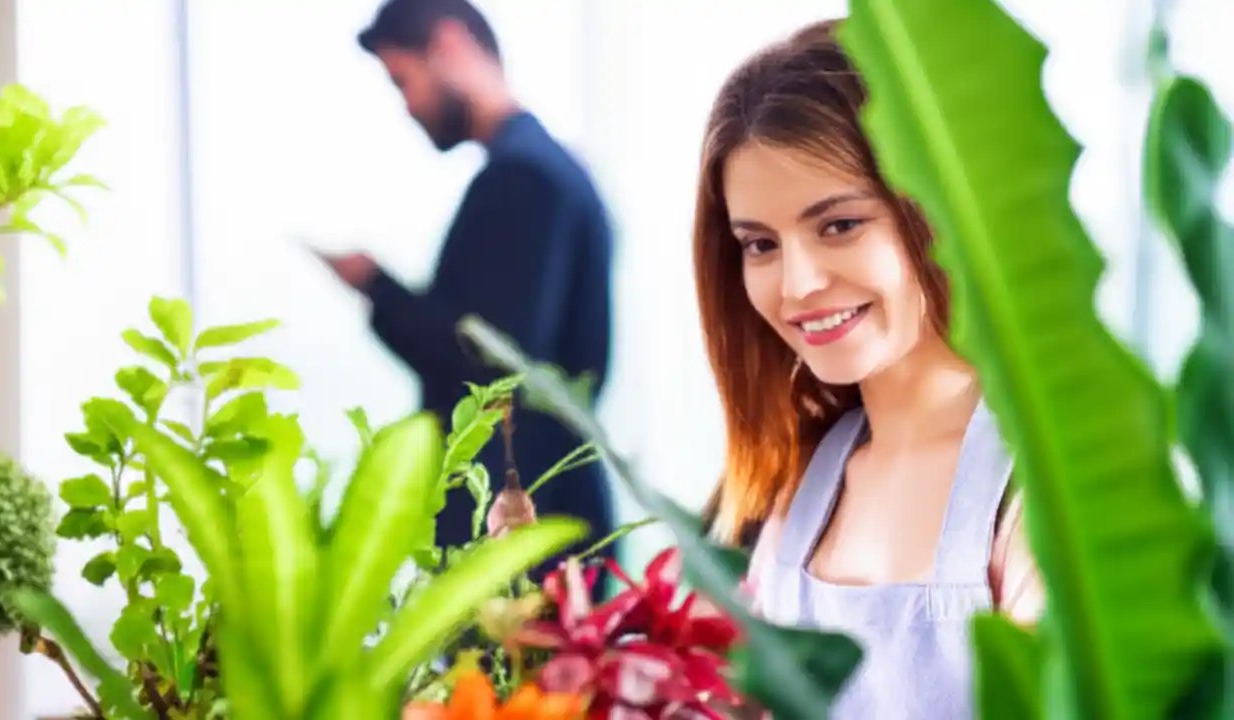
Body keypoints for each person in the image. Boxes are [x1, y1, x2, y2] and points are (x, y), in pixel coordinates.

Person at [693, 20, 1044, 718]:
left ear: (938, 206)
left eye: (840, 225)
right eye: (760, 244)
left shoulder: (1040, 493)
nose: (796, 286)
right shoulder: (787, 490)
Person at [325, 0, 615, 568]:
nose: (406, 105)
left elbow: (489, 358)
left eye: (403, 79)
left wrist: (377, 288)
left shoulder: (523, 179)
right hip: (543, 514)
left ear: (451, 46)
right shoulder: (545, 169)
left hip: (519, 524)